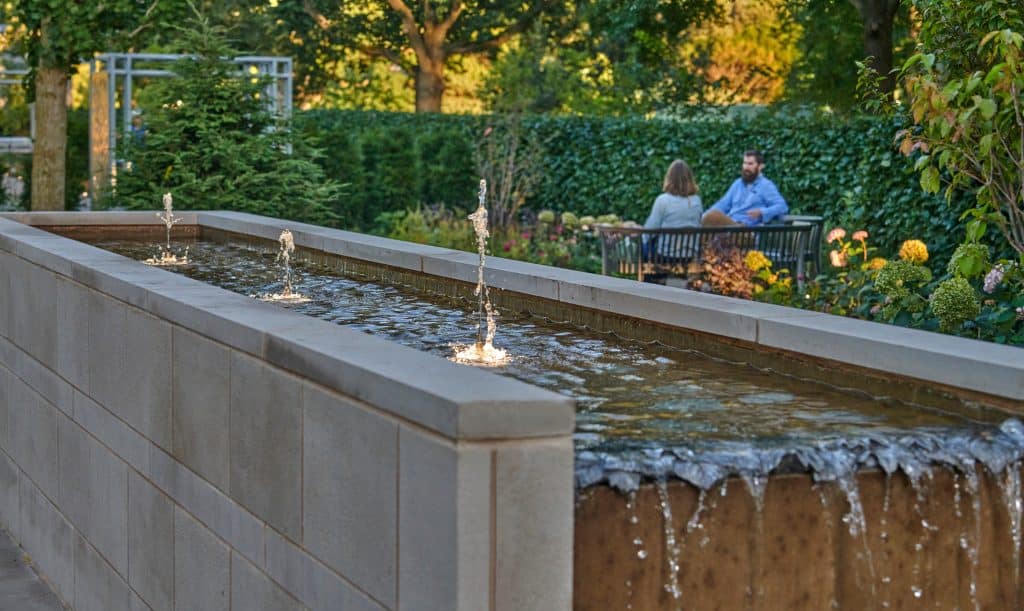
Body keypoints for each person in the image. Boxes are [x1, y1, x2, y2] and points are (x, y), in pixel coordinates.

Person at [702, 150, 787, 226]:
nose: (746, 167)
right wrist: (703, 217)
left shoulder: (766, 185)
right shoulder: (737, 184)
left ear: (760, 166)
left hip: (747, 230)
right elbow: (722, 204)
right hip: (731, 225)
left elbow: (782, 206)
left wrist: (762, 212)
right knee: (709, 218)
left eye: (750, 164)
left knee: (712, 216)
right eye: (744, 163)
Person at [643, 159, 703, 257]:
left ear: (669, 178)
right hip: (691, 256)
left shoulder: (663, 200)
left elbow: (650, 231)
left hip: (665, 257)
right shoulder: (697, 200)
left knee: (643, 245)